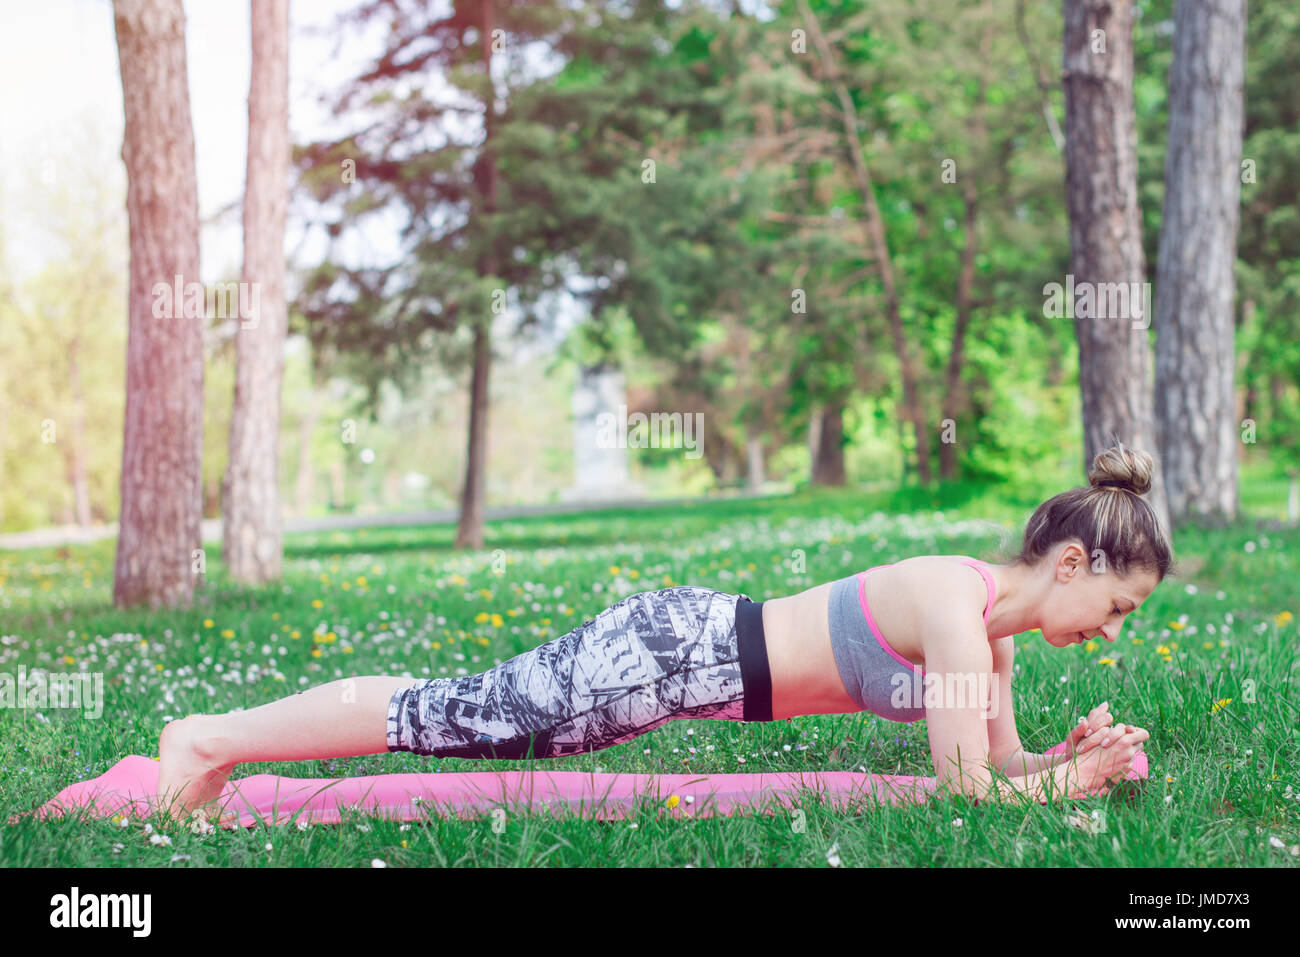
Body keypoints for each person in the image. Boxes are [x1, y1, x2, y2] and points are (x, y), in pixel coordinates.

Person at [156, 442, 1170, 822]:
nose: (1112, 633)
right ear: (1071, 565)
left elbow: (998, 767)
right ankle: (205, 738)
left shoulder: (987, 635)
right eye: (1118, 608)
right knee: (444, 715)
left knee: (448, 710)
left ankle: (216, 740)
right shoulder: (955, 608)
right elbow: (961, 795)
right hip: (668, 657)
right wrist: (1061, 791)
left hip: (685, 660)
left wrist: (1063, 760)